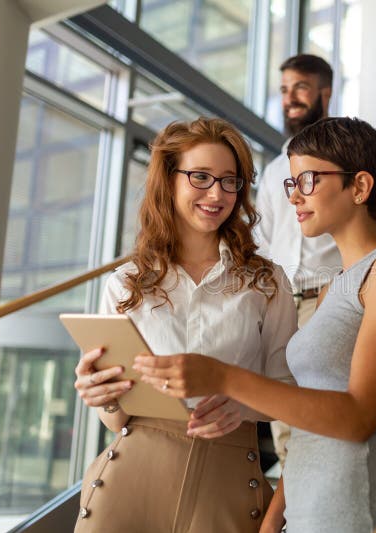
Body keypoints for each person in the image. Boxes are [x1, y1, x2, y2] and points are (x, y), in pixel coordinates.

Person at [134, 117, 376, 533]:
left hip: (352, 509)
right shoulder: (331, 290)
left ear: (360, 187)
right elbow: (311, 421)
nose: (294, 198)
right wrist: (275, 520)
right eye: (291, 184)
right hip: (306, 510)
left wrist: (222, 376)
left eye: (308, 180)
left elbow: (358, 418)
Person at [72, 117, 296, 532]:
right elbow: (118, 421)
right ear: (169, 180)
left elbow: (289, 392)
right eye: (201, 177)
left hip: (226, 481)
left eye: (230, 181)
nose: (217, 194)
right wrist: (101, 396)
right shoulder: (125, 284)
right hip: (129, 482)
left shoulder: (266, 282)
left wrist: (244, 404)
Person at [254, 53, 376, 464]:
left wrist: (351, 282)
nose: (290, 98)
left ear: (325, 91)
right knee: (287, 428)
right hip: (284, 302)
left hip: (334, 298)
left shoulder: (352, 154)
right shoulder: (271, 172)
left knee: (328, 414)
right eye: (284, 90)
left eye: (300, 87)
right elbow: (261, 241)